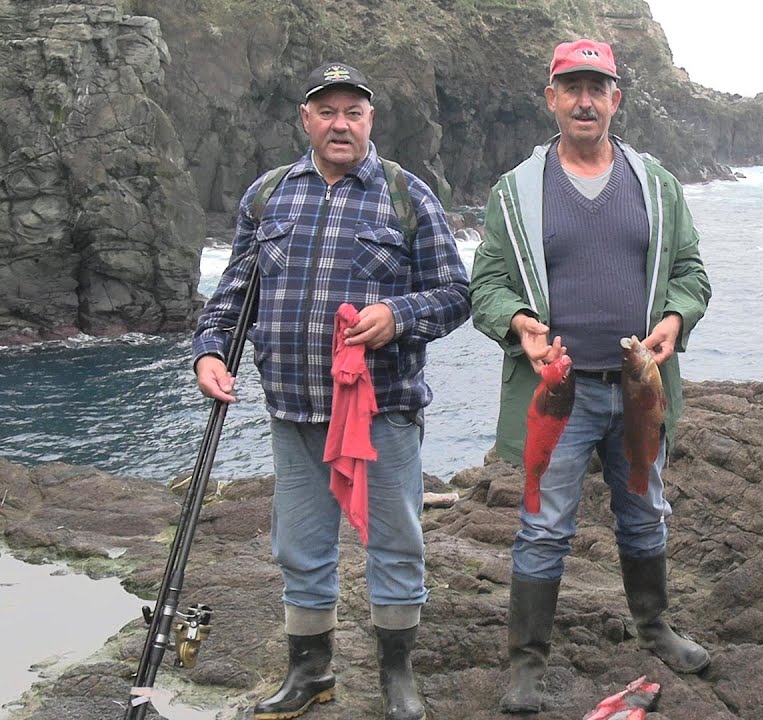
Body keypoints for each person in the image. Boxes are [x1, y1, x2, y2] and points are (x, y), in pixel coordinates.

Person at [193, 62, 470, 720]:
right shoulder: (267, 196)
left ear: (370, 120)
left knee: (396, 541)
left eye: (354, 112)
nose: (340, 123)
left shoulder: (407, 195)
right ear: (306, 118)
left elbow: (458, 294)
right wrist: (209, 350)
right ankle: (310, 674)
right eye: (328, 111)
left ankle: (397, 675)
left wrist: (397, 317)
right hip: (292, 409)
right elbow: (233, 293)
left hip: (383, 412)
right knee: (300, 545)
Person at [470, 38, 713, 714]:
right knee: (544, 527)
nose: (584, 100)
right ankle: (526, 662)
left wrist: (675, 318)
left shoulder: (655, 183)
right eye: (571, 87)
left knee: (645, 514)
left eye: (596, 87)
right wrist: (518, 323)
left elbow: (690, 273)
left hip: (640, 389)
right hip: (560, 394)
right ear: (550, 98)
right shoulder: (516, 189)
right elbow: (485, 284)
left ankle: (656, 626)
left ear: (616, 100)